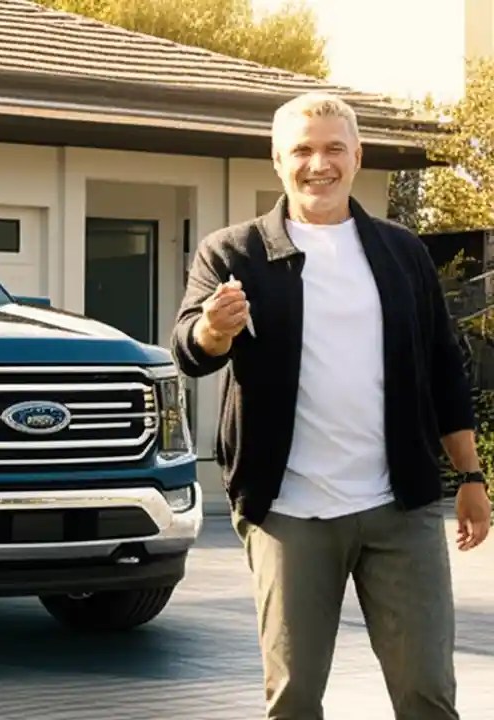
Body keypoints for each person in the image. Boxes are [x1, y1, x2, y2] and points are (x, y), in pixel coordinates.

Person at [171, 91, 492, 719]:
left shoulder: (403, 253)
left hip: (399, 504)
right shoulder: (233, 254)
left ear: (356, 155)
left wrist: (472, 475)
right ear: (277, 160)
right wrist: (216, 328)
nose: (319, 164)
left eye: (333, 149)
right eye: (302, 150)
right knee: (294, 700)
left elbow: (443, 368)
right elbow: (190, 350)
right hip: (289, 511)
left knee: (428, 693)